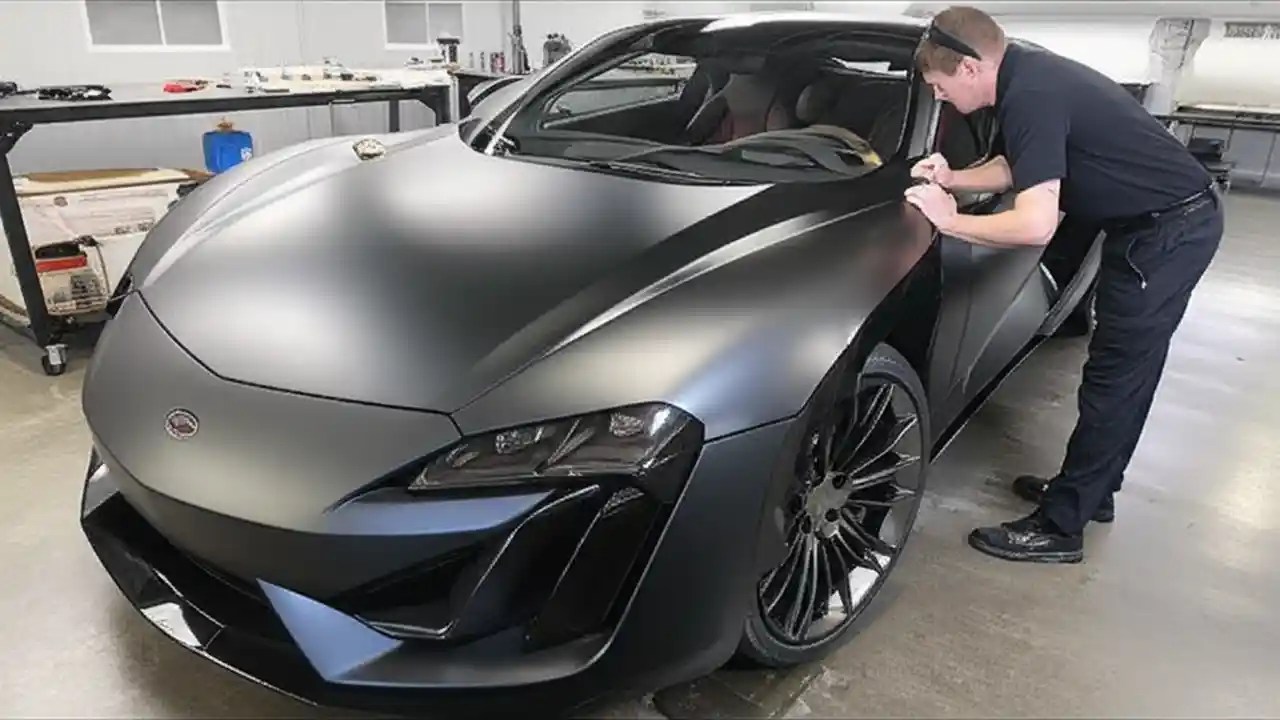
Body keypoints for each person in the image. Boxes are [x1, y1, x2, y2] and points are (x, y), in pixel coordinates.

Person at [903, 6, 1223, 563]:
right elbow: (1016, 164)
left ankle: (1061, 527)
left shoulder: (1032, 91)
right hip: (1155, 223)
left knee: (1116, 375)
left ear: (971, 69)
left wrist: (949, 219)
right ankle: (1092, 494)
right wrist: (953, 177)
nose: (939, 97)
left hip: (1169, 230)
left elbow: (1035, 224)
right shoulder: (1026, 74)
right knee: (1122, 371)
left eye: (939, 85)